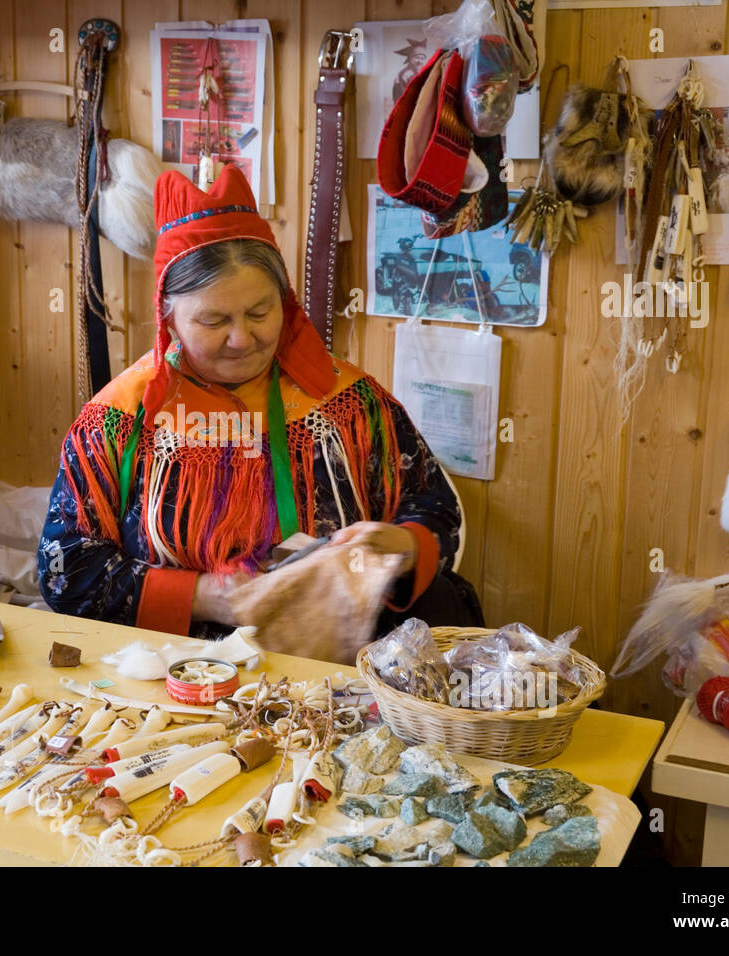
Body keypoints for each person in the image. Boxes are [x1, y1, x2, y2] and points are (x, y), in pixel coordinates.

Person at [38, 165, 479, 642]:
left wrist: (403, 545)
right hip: (173, 668)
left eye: (259, 312)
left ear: (285, 303)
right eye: (213, 320)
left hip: (335, 669)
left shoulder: (348, 405)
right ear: (168, 317)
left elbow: (435, 505)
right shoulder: (119, 423)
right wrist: (205, 597)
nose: (241, 338)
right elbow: (66, 570)